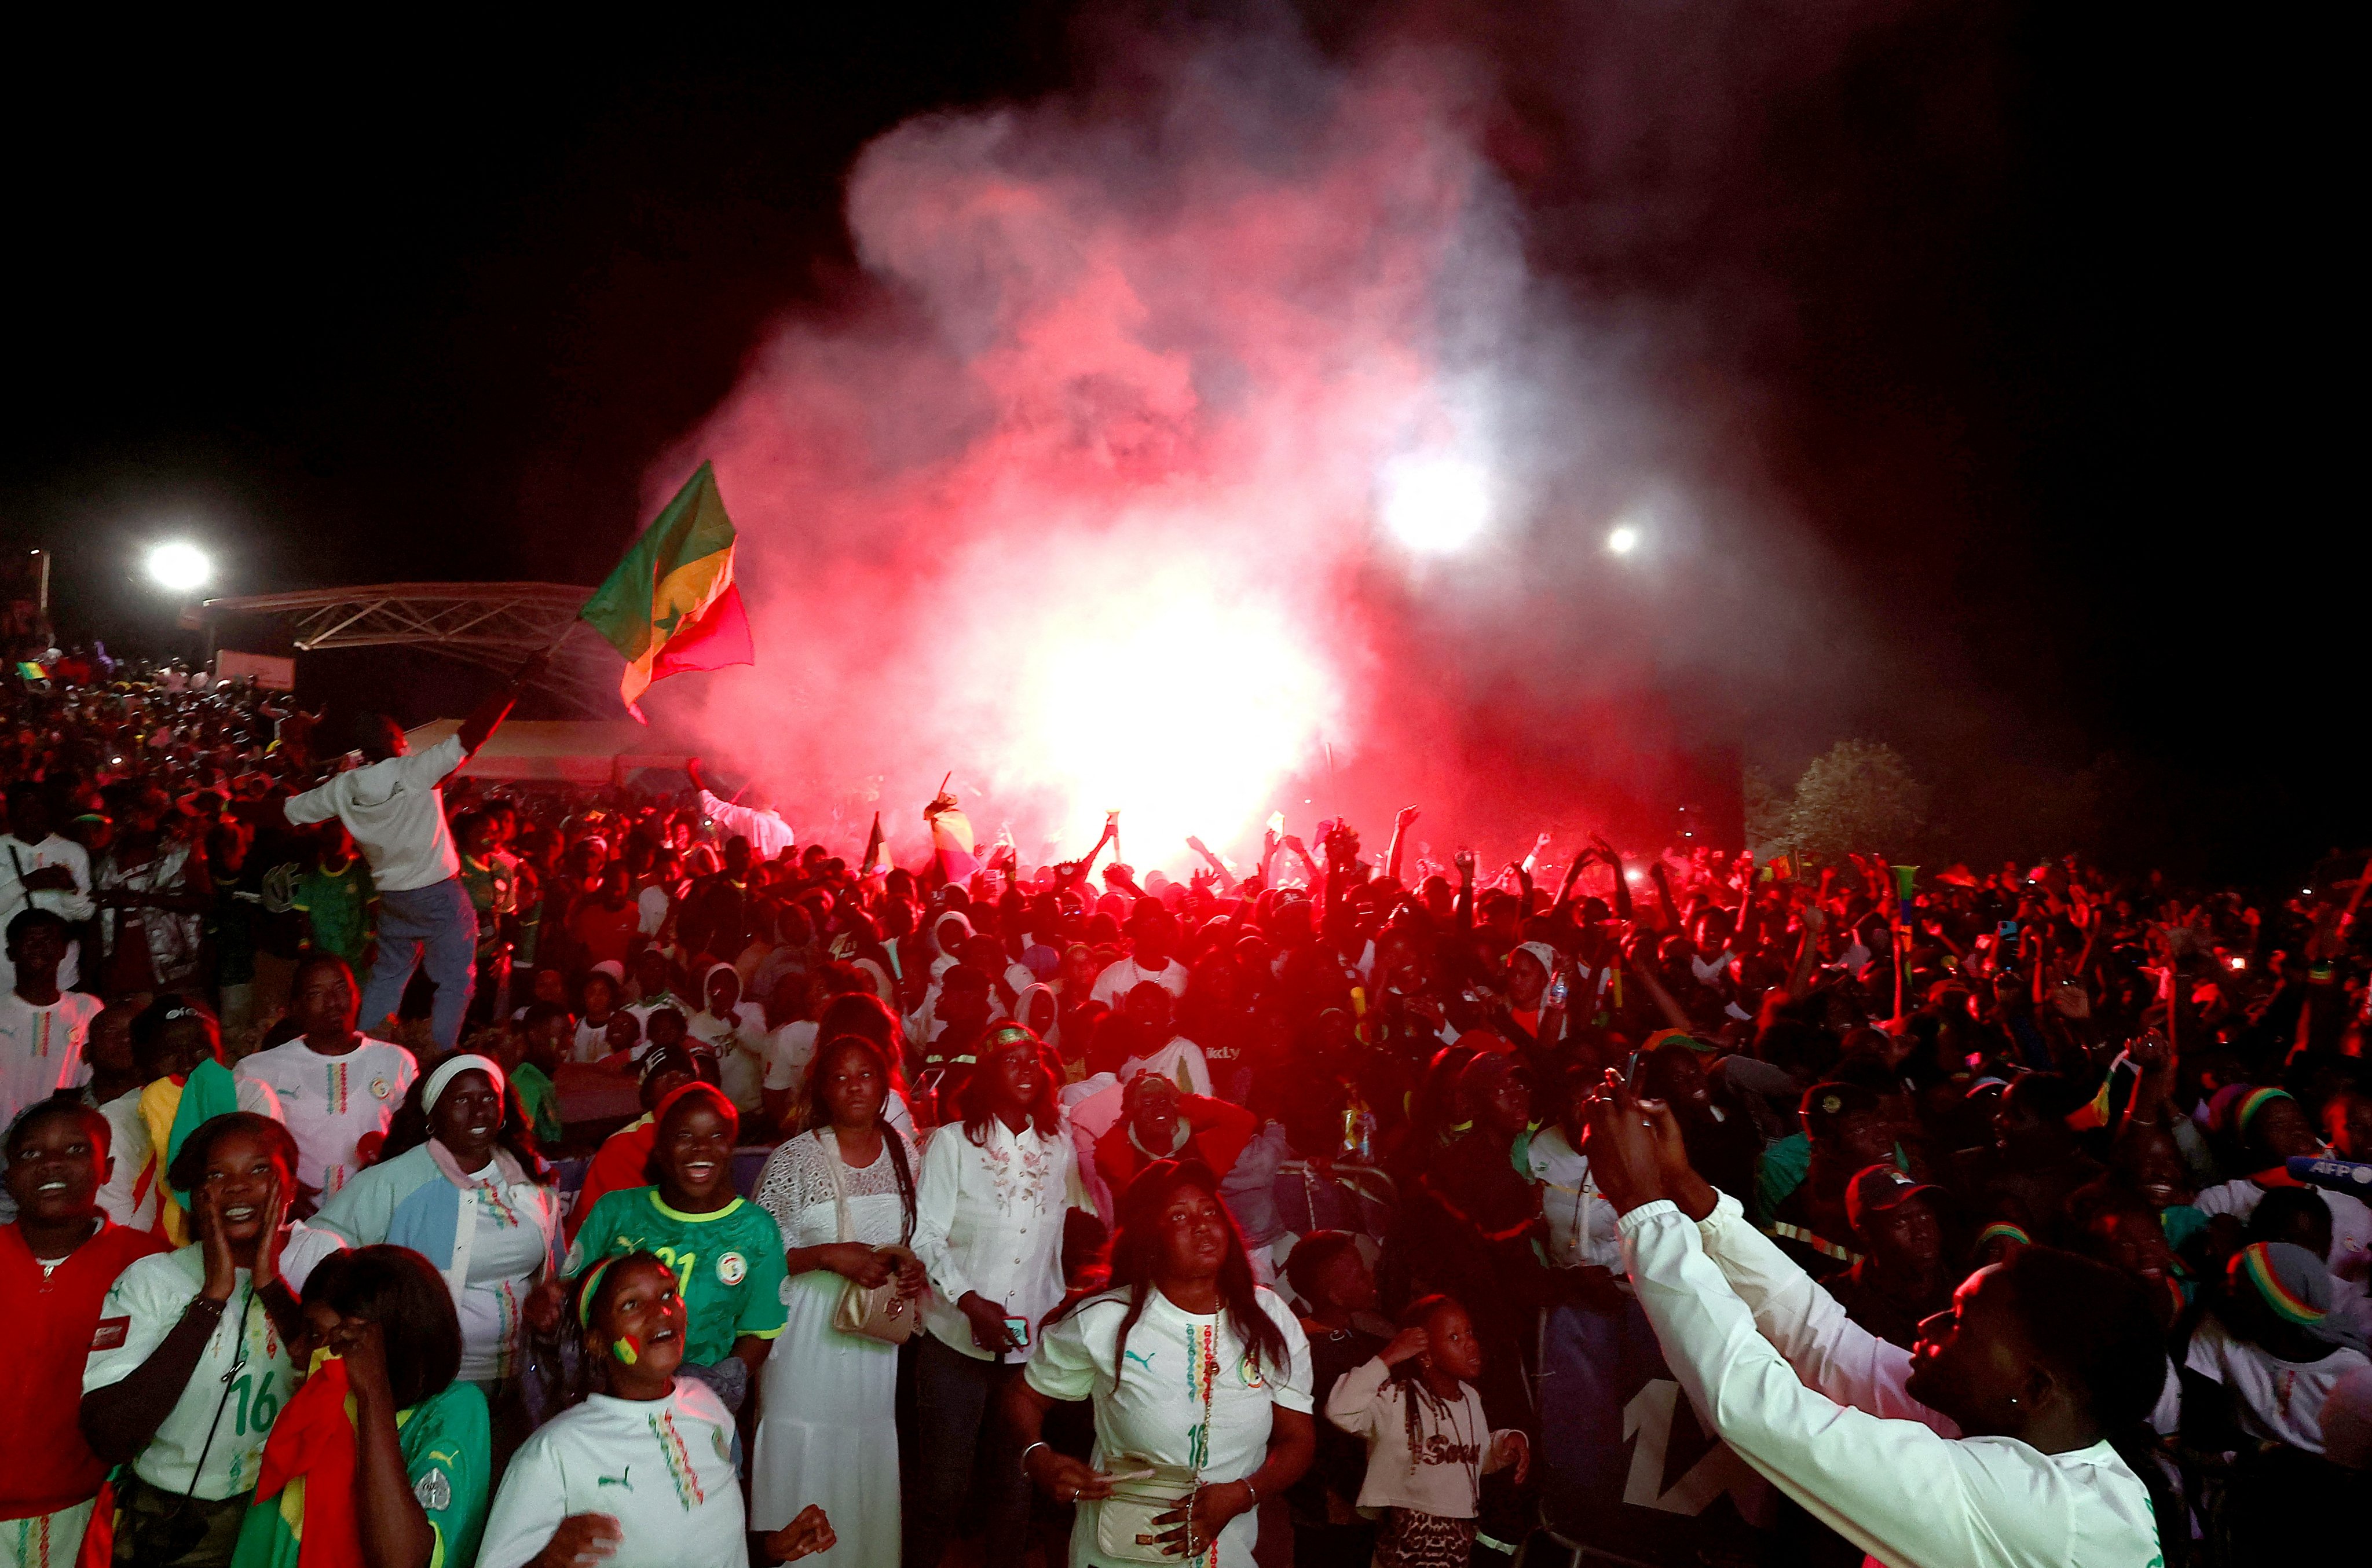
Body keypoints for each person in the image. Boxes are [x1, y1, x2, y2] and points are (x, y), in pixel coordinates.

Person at [1577, 1072, 2173, 1567]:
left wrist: (1642, 1205)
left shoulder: (2033, 1509)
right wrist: (1685, 1189)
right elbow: (1824, 1337)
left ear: (2035, 1388)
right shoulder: (2035, 1436)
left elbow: (1758, 1409)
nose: (1928, 1324)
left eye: (1959, 1322)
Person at [1007, 1157, 1317, 1568]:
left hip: (1228, 1551)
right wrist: (1038, 1455)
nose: (1202, 1225)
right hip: (1118, 1551)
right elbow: (1024, 1396)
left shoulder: (1269, 1318)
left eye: (1210, 1211)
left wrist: (1244, 1494)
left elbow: (1298, 1439)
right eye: (1179, 1216)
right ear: (1149, 1238)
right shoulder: (1106, 1320)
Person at [79, 1113, 339, 1567]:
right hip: (167, 1521)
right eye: (217, 1175)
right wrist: (211, 1300)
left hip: (284, 1512)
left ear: (290, 1187)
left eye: (259, 1169)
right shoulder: (152, 1280)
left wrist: (271, 1287)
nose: (237, 1187)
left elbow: (338, 1375)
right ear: (197, 1195)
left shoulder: (322, 1259)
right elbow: (111, 1436)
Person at [474, 1252, 836, 1568]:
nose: (661, 1312)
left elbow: (704, 1543)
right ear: (597, 1342)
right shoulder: (555, 1452)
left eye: (668, 1294)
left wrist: (770, 1548)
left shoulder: (708, 1406)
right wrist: (545, 1562)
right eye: (631, 1304)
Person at [281, 657, 539, 1050]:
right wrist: (512, 688)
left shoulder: (343, 788)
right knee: (454, 981)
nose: (406, 743)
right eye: (401, 737)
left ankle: (364, 1046)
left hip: (394, 900)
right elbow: (471, 737)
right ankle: (441, 1054)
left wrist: (232, 807)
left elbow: (289, 812)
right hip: (439, 895)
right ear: (389, 739)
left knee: (387, 978)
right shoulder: (415, 771)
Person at [905, 1025, 1080, 1568]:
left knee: (1015, 1483)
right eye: (1011, 1060)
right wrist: (970, 1301)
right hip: (954, 1339)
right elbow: (925, 1236)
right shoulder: (954, 1143)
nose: (1026, 1069)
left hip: (1026, 1347)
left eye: (1033, 1060)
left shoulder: (1058, 1145)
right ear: (986, 1074)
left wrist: (1055, 1306)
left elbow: (1060, 1236)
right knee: (943, 1486)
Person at [749, 1032, 924, 1565]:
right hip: (806, 1337)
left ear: (884, 1085)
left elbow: (920, 1238)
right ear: (823, 1089)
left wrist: (912, 1268)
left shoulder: (904, 1152)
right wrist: (827, 1255)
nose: (854, 1087)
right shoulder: (795, 1159)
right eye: (840, 1077)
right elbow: (756, 1255)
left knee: (862, 1454)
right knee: (803, 1448)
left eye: (865, 1075)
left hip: (873, 1341)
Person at [310, 1054, 565, 1397]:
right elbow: (316, 1250)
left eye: (489, 1098)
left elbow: (558, 1273)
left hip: (525, 1376)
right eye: (461, 1100)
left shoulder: (531, 1179)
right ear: (432, 1116)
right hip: (433, 1383)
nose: (478, 1111)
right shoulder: (396, 1181)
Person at [229, 1245, 493, 1568]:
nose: (298, 1352)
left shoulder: (455, 1409)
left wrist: (373, 1392)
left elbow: (401, 1561)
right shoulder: (323, 1405)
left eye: (315, 1335)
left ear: (373, 1347)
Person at [2, 1096, 166, 1566]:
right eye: (30, 1153)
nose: (51, 1163)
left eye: (75, 1149)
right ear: (9, 1176)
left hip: (80, 1509)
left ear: (107, 1169)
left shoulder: (149, 1266)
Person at [565, 1080, 788, 1412]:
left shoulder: (757, 1231)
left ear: (732, 1148)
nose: (701, 1148)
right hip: (613, 1400)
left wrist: (712, 1391)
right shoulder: (616, 1211)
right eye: (685, 1136)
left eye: (716, 1136)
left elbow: (760, 1330)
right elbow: (572, 1297)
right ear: (660, 1150)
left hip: (704, 1408)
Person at [1324, 1294, 1529, 1568]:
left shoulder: (1470, 1399)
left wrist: (1504, 1444)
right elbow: (1340, 1410)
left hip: (1456, 1541)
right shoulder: (1398, 1400)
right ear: (1425, 1356)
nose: (1470, 1343)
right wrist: (1388, 1357)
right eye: (1454, 1337)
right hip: (1405, 1540)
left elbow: (1469, 1460)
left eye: (1469, 1332)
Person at [235, 957, 417, 1206]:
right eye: (316, 993)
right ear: (296, 1007)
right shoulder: (259, 1070)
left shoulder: (396, 1061)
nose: (332, 1002)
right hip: (293, 1215)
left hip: (376, 1210)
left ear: (357, 996)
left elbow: (413, 1141)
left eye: (341, 989)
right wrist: (287, 1189)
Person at [1282, 1232, 1386, 1568]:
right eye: (1359, 1274)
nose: (1370, 1276)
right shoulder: (1313, 1351)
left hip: (1351, 1500)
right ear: (1336, 1296)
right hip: (1330, 1505)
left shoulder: (1358, 1337)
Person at [0, 911, 102, 1184]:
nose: (39, 948)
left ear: (63, 951)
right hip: (5, 1148)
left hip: (65, 1146)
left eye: (48, 940)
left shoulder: (87, 1009)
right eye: (29, 940)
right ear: (11, 952)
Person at [0, 780, 96, 997]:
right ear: (10, 812)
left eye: (37, 805)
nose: (30, 812)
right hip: (5, 970)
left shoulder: (72, 852)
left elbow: (85, 913)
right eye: (22, 806)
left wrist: (70, 890)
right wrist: (24, 884)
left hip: (59, 970)